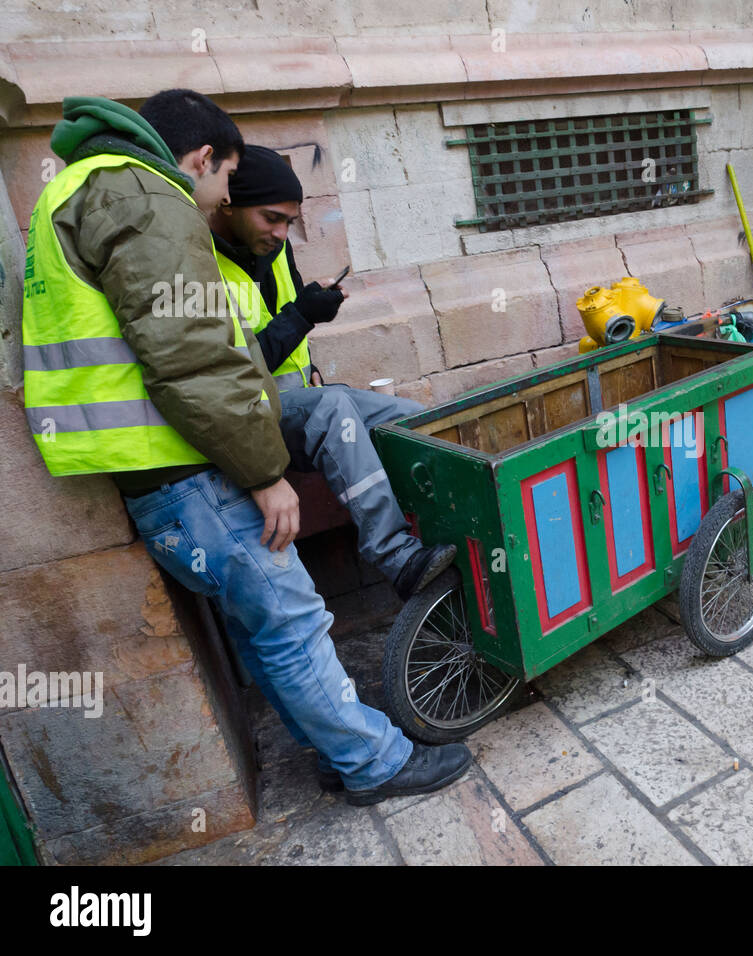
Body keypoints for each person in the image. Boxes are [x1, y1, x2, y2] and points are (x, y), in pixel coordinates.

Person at [21, 90, 470, 806]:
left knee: (267, 629)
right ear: (201, 159)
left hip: (156, 468)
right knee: (292, 622)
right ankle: (374, 762)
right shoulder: (142, 192)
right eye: (225, 180)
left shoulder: (76, 187)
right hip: (182, 464)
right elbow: (191, 354)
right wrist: (265, 474)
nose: (218, 199)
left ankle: (339, 748)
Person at [208, 144, 454, 600]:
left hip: (297, 397)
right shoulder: (200, 266)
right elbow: (233, 371)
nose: (282, 233)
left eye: (289, 221)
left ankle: (451, 529)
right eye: (270, 218)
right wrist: (304, 314)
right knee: (332, 407)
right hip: (248, 414)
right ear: (229, 204)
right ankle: (395, 555)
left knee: (411, 418)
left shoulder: (275, 251)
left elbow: (291, 326)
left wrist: (312, 335)